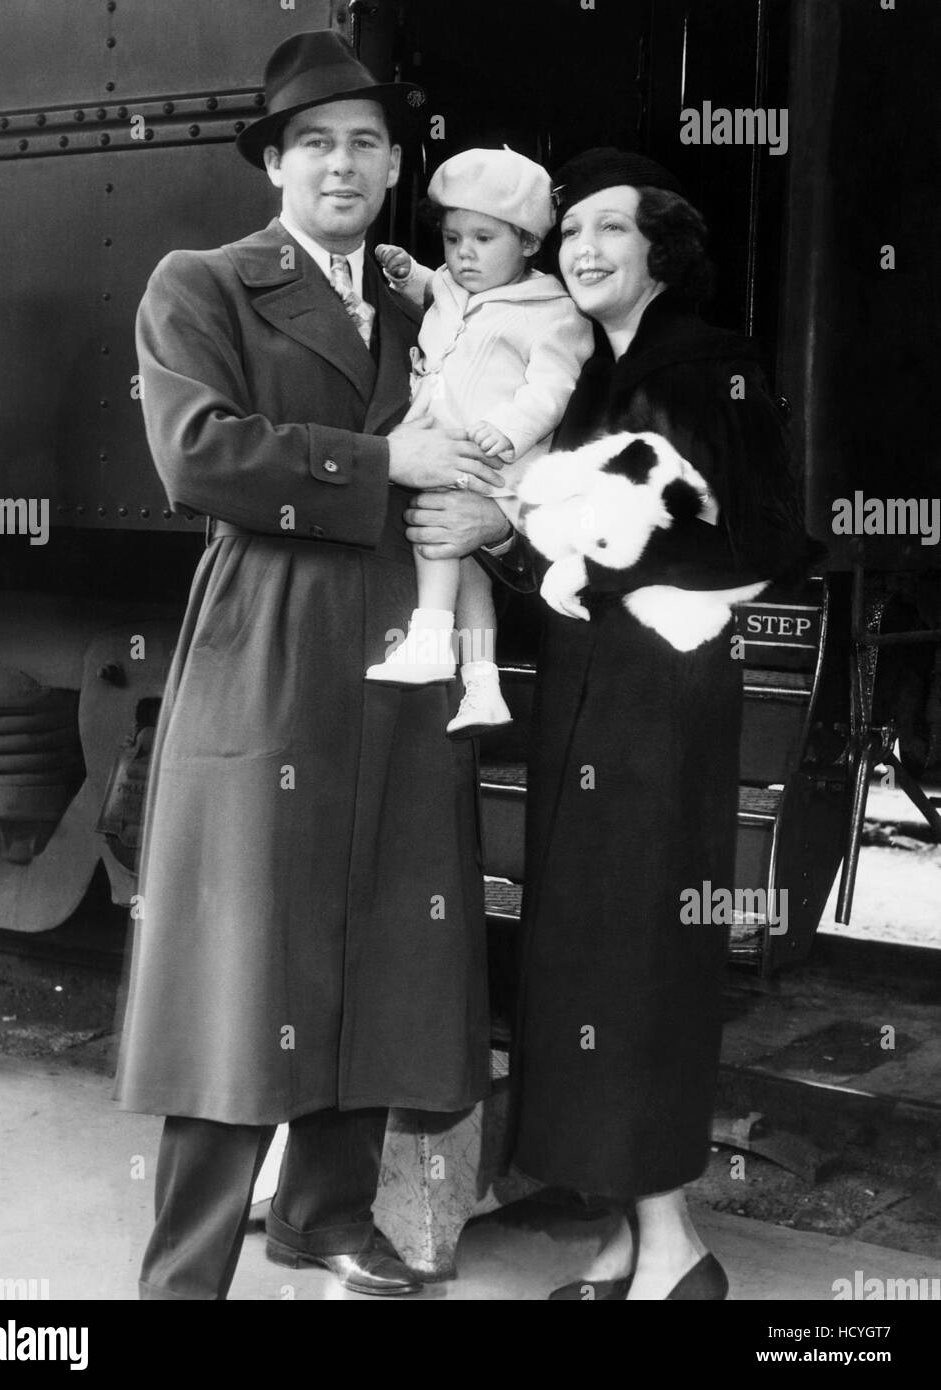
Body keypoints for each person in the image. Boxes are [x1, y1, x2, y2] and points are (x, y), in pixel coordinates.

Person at [114, 29, 516, 1301]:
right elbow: (198, 457)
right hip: (272, 631)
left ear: (396, 165)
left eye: (363, 144)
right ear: (274, 166)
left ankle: (324, 1218)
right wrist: (378, 468)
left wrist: (493, 520)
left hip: (408, 633)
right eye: (313, 146)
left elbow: (501, 435)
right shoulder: (201, 282)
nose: (340, 166)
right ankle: (183, 1270)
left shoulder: (430, 299)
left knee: (382, 929)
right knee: (243, 954)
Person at [507, 148, 821, 1300]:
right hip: (582, 683)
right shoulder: (589, 373)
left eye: (608, 229)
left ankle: (672, 1245)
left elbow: (776, 537)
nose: (581, 248)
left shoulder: (713, 364)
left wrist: (673, 603)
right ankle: (626, 1234)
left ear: (658, 250)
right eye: (570, 230)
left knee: (636, 951)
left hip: (658, 698)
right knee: (580, 948)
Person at [364, 148, 592, 737]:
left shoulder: (553, 313)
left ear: (530, 243)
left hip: (490, 456)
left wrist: (511, 430)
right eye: (452, 237)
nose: (464, 253)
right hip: (451, 444)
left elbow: (553, 388)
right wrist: (403, 272)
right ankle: (484, 683)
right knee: (469, 569)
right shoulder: (451, 285)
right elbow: (430, 289)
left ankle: (430, 638)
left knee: (436, 532)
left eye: (484, 239)